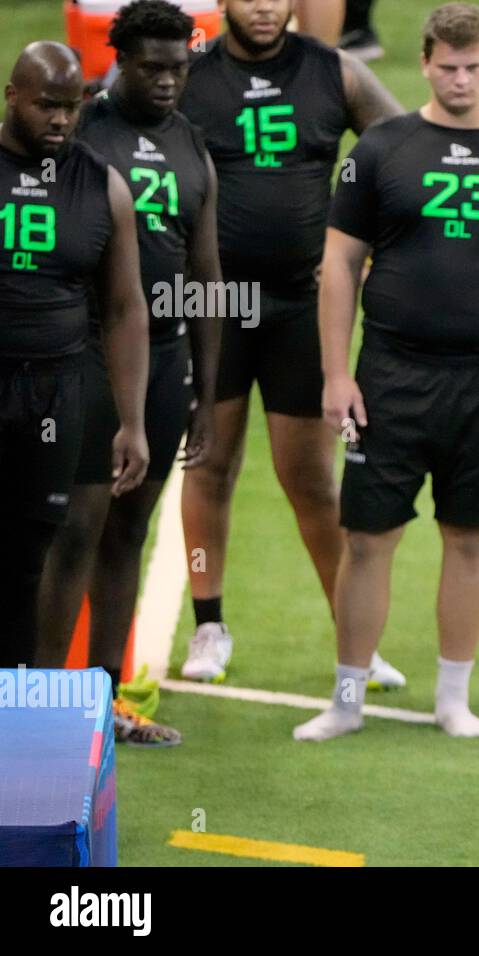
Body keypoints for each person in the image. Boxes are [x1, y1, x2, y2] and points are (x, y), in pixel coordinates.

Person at [293, 2, 479, 742]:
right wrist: (334, 374)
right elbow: (340, 264)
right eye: (446, 66)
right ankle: (347, 700)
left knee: (471, 538)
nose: (458, 78)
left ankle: (453, 697)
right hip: (388, 374)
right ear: (422, 63)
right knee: (366, 537)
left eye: (472, 65)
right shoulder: (381, 147)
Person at [176, 0, 403, 684]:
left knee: (309, 476)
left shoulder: (335, 74)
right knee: (208, 462)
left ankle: (353, 639)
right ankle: (208, 626)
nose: (267, 6)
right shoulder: (186, 76)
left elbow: (405, 148)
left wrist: (368, 255)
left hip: (304, 307)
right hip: (211, 302)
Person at [34, 0, 223, 747]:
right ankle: (44, 704)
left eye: (180, 67)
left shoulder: (193, 149)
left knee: (128, 534)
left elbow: (207, 276)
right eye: (153, 67)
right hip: (83, 358)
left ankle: (102, 703)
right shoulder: (80, 132)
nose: (170, 81)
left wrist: (208, 398)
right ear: (120, 61)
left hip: (166, 361)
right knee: (72, 529)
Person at [0, 42, 149, 666]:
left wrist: (133, 421)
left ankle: (16, 717)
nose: (61, 120)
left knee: (30, 560)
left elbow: (124, 308)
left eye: (72, 106)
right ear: (12, 97)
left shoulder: (102, 184)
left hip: (56, 394)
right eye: (46, 106)